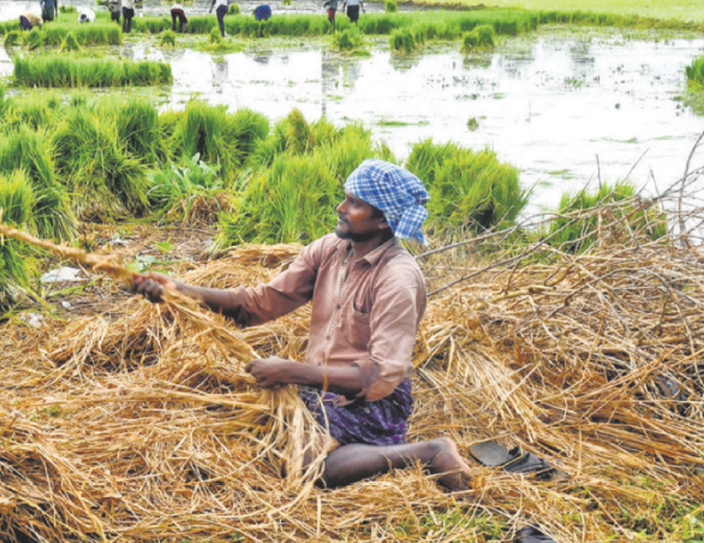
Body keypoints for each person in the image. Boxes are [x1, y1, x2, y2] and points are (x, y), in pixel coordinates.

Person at [130, 159, 473, 492]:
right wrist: (179, 290)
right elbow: (256, 305)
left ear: (383, 220)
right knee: (232, 422)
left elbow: (378, 377)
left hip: (370, 399)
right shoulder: (331, 250)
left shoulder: (397, 278)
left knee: (309, 468)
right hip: (320, 387)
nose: (341, 207)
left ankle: (428, 452)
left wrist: (290, 372)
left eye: (354, 203)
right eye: (345, 196)